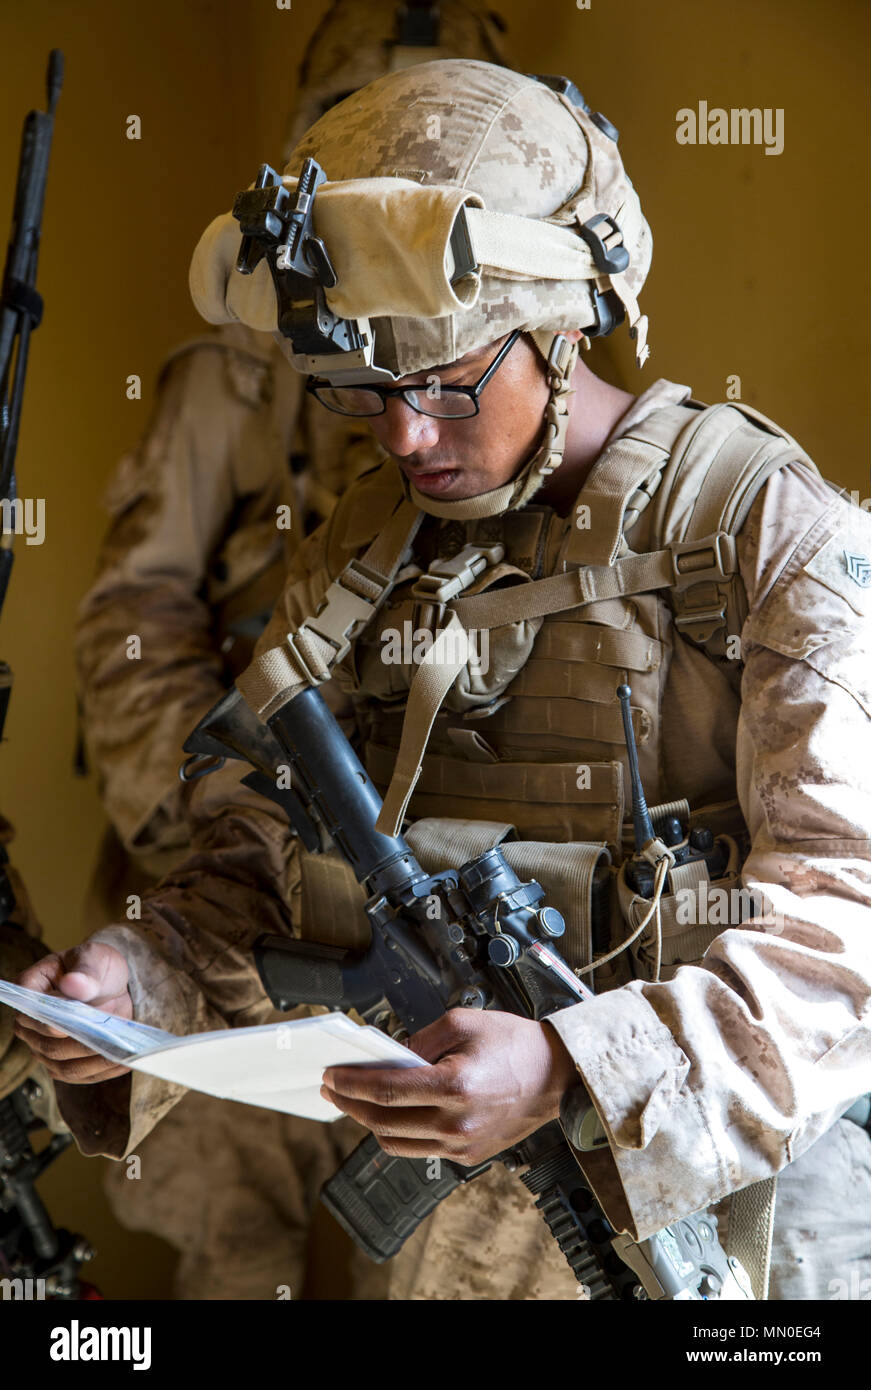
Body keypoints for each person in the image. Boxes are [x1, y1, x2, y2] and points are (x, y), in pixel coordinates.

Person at [18, 60, 871, 1301]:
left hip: (727, 1247)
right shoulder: (365, 554)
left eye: (444, 383)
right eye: (366, 389)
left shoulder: (761, 534)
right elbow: (263, 874)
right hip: (455, 1245)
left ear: (562, 323)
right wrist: (133, 983)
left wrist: (573, 1069)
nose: (403, 436)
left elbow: (843, 933)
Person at [73, 6, 511, 1300]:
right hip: (230, 871)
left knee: (433, 1232)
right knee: (236, 1241)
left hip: (429, 897)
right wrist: (207, 825)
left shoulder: (509, 374)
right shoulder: (240, 380)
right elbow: (132, 616)